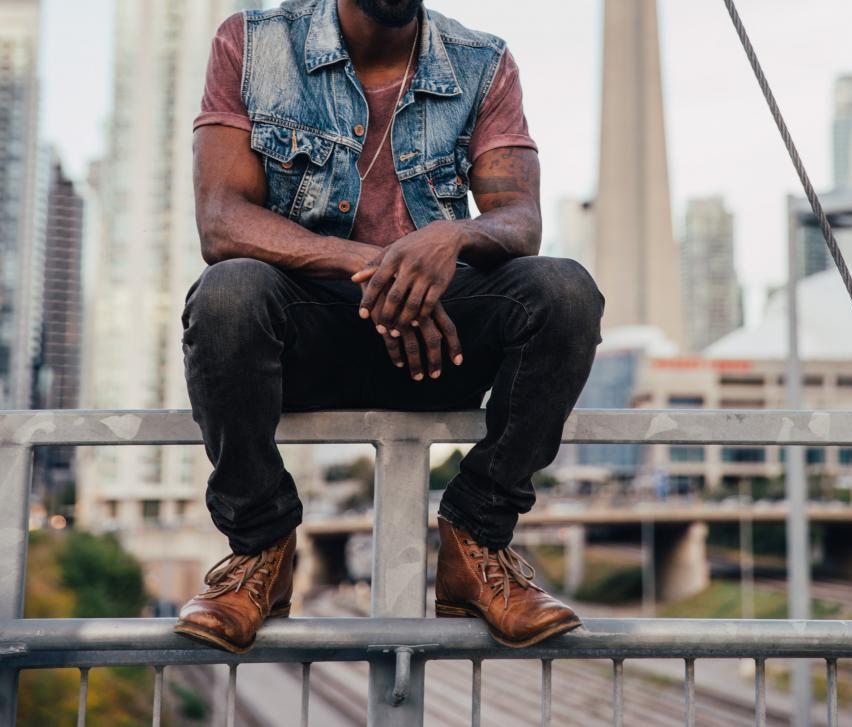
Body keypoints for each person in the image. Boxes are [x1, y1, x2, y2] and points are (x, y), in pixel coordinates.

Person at [175, 0, 604, 654]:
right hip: (307, 340)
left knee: (565, 292)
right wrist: (382, 268)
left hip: (436, 346)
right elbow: (221, 221)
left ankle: (476, 541)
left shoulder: (481, 62)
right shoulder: (255, 45)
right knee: (228, 294)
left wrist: (451, 236)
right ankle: (261, 548)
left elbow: (520, 220)